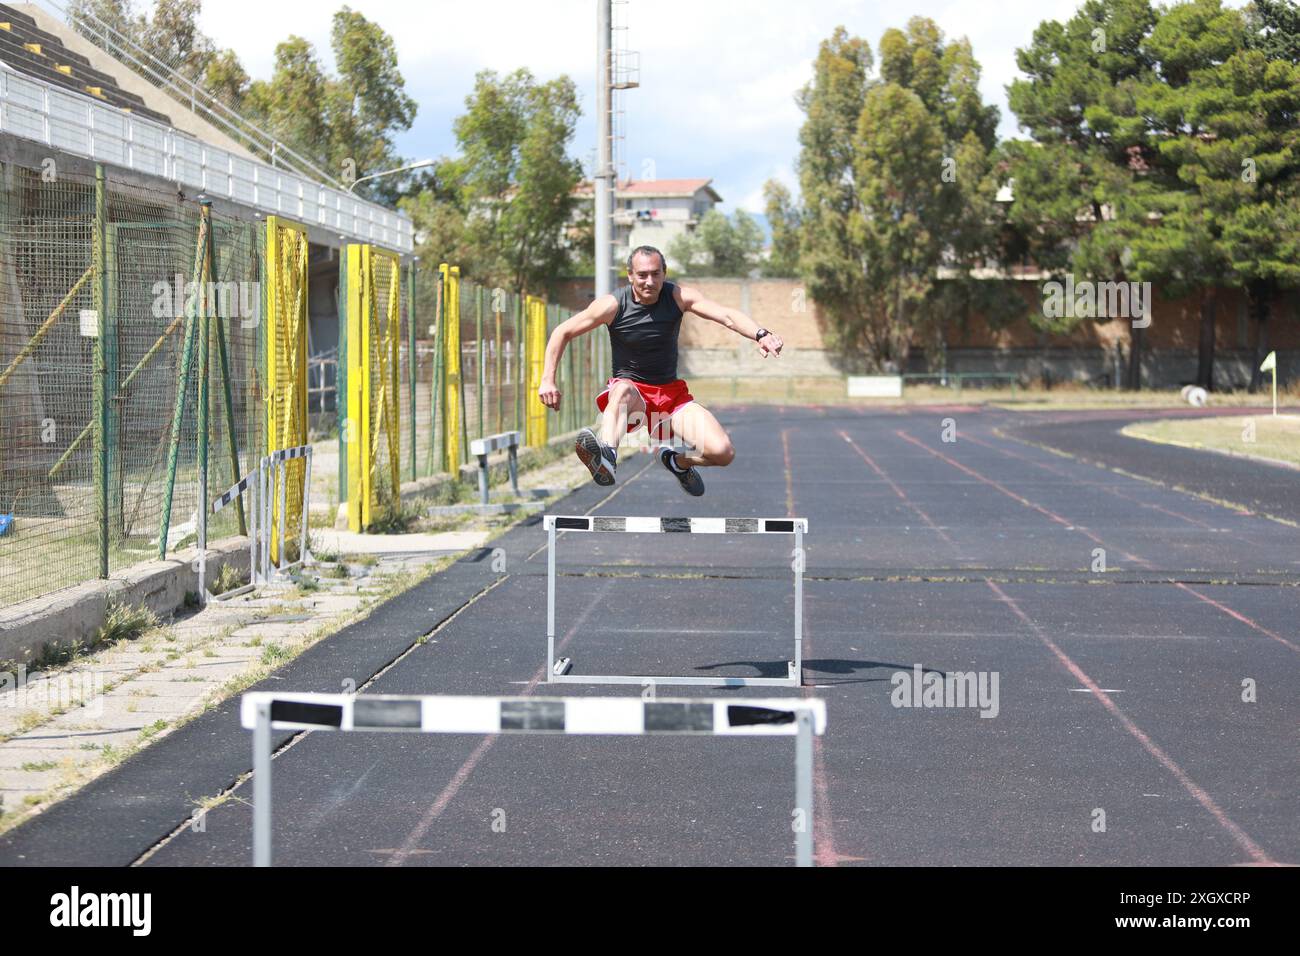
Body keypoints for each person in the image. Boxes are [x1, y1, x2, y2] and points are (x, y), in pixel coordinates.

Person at [537, 245, 784, 496]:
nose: (649, 281)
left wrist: (760, 334)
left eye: (656, 274)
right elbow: (562, 332)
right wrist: (548, 380)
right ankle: (607, 455)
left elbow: (726, 316)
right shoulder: (612, 305)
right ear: (630, 275)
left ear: (664, 273)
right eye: (642, 275)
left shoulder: (678, 296)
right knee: (621, 389)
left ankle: (679, 463)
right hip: (635, 395)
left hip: (672, 398)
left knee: (722, 452)